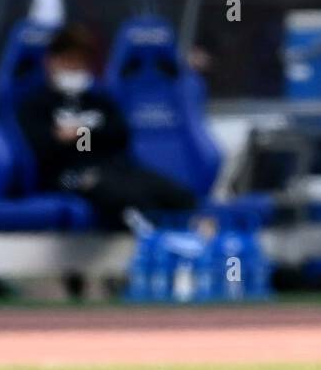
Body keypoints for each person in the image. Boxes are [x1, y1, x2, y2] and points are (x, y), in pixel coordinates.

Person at [16, 24, 196, 231]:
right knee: (123, 196)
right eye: (68, 61)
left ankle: (196, 243)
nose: (74, 68)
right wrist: (86, 135)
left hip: (114, 169)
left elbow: (120, 134)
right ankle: (149, 242)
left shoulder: (99, 100)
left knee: (174, 193)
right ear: (50, 62)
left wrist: (77, 134)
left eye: (79, 62)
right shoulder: (36, 104)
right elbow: (43, 147)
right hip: (66, 179)